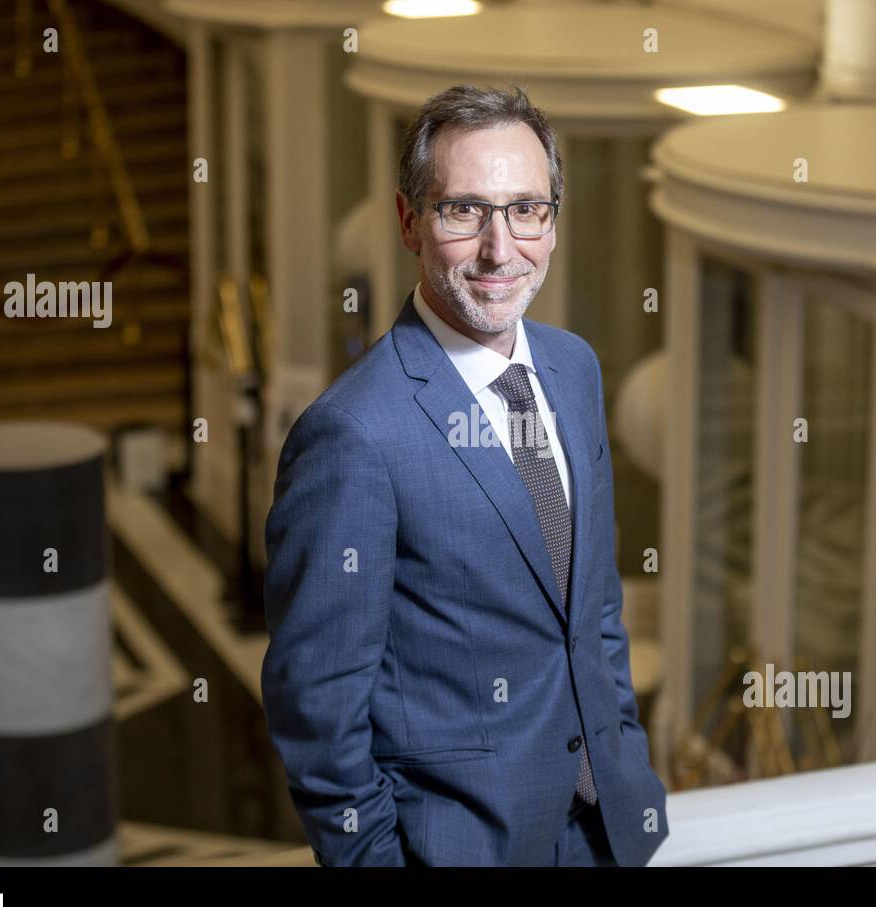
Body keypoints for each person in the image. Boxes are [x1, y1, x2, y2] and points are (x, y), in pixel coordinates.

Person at [261, 83, 668, 866]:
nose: (499, 248)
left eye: (526, 210)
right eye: (464, 211)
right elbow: (317, 706)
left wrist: (628, 769)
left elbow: (593, 610)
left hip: (608, 832)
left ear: (552, 221)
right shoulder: (353, 434)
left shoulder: (573, 369)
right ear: (410, 221)